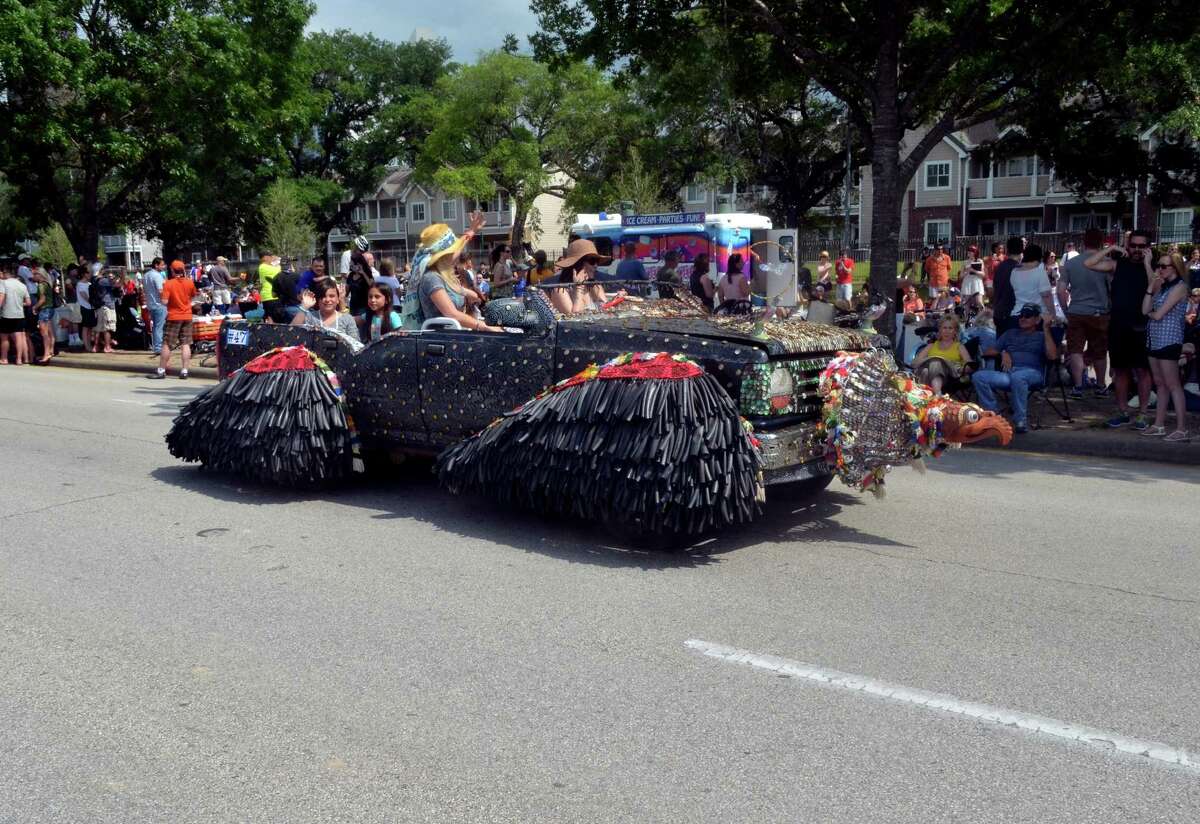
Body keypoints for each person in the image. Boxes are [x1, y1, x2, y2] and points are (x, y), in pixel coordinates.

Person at [1085, 230, 1154, 430]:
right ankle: (1123, 411)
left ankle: (1142, 413)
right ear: (1128, 245)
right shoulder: (1118, 264)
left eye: (1142, 246)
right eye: (1134, 245)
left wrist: (1148, 264)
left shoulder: (1154, 267)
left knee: (1142, 370)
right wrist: (1112, 248)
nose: (1137, 250)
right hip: (1118, 325)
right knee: (1120, 370)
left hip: (1142, 326)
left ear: (1148, 247)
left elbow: (1155, 287)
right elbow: (1088, 264)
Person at [972, 303, 1058, 434]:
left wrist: (1046, 328)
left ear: (1037, 320)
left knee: (1019, 377)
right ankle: (992, 417)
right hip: (1009, 373)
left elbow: (1052, 356)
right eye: (1021, 316)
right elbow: (989, 351)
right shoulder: (1010, 333)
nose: (1023, 318)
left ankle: (1020, 420)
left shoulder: (1042, 336)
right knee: (979, 376)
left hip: (1033, 373)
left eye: (1027, 316)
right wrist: (1003, 352)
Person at [414, 213, 502, 332]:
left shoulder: (443, 275)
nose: (457, 252)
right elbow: (452, 314)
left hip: (454, 337)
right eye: (453, 250)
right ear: (445, 255)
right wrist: (483, 326)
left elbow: (453, 290)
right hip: (442, 341)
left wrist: (471, 231)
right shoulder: (431, 278)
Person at [1140, 251, 1190, 440]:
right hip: (1154, 338)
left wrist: (1152, 313)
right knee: (1159, 383)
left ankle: (1181, 428)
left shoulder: (1179, 287)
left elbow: (1158, 314)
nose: (1159, 269)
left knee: (1173, 384)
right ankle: (1158, 424)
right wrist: (1151, 287)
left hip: (1169, 340)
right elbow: (1145, 309)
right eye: (1158, 265)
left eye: (1163, 266)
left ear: (1174, 268)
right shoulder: (1162, 285)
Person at [1059, 229, 1109, 398]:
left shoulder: (1071, 264)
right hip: (1099, 312)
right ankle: (1101, 385)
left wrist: (1065, 309)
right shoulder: (1106, 262)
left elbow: (1061, 290)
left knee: (1075, 350)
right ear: (1101, 243)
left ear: (1083, 242)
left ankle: (1078, 386)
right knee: (1100, 351)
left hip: (1076, 310)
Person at [149, 261, 196, 379]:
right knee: (186, 344)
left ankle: (161, 370)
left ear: (172, 271)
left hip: (174, 316)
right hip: (187, 316)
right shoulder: (190, 282)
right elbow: (193, 296)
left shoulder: (169, 284)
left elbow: (164, 302)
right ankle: (184, 371)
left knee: (167, 344)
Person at [550, 239, 620, 315]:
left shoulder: (596, 286)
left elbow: (606, 310)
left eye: (597, 261)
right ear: (577, 264)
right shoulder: (560, 290)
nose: (596, 265)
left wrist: (616, 300)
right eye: (592, 261)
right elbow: (575, 319)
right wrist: (579, 289)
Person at [912, 314, 971, 396]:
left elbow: (969, 365)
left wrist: (960, 369)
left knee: (936, 363)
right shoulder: (931, 346)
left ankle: (936, 396)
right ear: (940, 330)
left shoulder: (959, 347)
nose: (947, 331)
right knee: (927, 370)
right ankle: (932, 397)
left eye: (950, 328)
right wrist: (929, 360)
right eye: (944, 328)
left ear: (955, 331)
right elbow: (915, 363)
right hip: (930, 374)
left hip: (950, 377)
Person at [293, 278, 361, 342]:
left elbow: (357, 345)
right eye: (323, 296)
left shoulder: (347, 319)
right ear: (317, 300)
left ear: (338, 299)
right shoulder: (310, 317)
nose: (327, 300)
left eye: (331, 296)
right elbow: (291, 335)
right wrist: (304, 307)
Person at [991, 236, 1024, 334]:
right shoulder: (1019, 269)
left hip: (999, 312)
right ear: (1021, 251)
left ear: (1008, 250)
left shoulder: (1000, 266)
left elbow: (995, 287)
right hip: (1012, 314)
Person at [0, 267, 31, 365]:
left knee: (4, 337)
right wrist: (18, 304)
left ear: (6, 274)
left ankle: (4, 358)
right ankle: (19, 359)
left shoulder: (3, 283)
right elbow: (28, 302)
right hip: (19, 314)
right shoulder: (22, 285)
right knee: (19, 337)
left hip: (6, 314)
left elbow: (2, 298)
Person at [31, 269, 55, 363]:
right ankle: (51, 350)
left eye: (34, 274)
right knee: (50, 332)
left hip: (44, 309)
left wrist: (34, 307)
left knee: (44, 334)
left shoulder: (41, 285)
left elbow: (42, 299)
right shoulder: (47, 284)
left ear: (39, 275)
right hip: (50, 309)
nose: (33, 276)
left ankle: (46, 354)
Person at [91, 268, 117, 353]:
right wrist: (121, 275)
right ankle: (107, 347)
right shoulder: (103, 280)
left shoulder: (95, 280)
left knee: (99, 328)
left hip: (100, 306)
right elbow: (116, 284)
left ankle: (95, 347)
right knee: (107, 328)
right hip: (107, 305)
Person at [257, 250, 285, 323]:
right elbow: (279, 270)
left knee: (274, 318)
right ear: (265, 258)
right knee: (274, 319)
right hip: (270, 296)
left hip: (272, 296)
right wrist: (278, 262)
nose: (272, 258)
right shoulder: (262, 267)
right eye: (270, 256)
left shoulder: (268, 266)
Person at [960, 245, 985, 310]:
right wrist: (967, 271)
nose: (969, 253)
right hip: (967, 283)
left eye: (971, 251)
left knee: (979, 301)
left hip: (977, 282)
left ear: (975, 252)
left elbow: (983, 274)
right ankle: (966, 318)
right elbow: (961, 276)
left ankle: (982, 317)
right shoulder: (965, 262)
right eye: (968, 251)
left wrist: (974, 271)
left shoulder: (979, 261)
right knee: (966, 303)